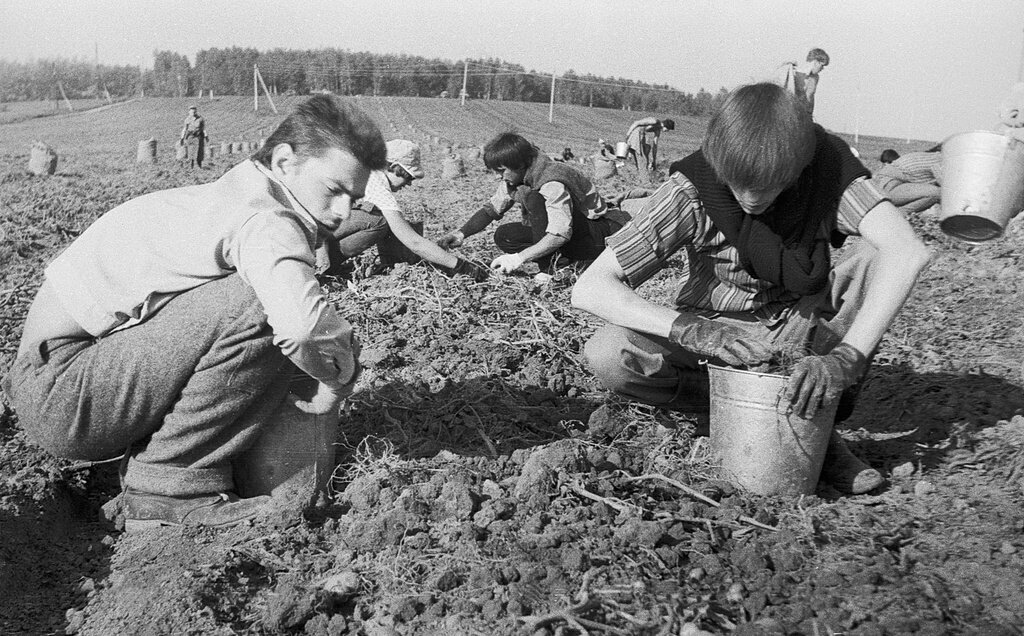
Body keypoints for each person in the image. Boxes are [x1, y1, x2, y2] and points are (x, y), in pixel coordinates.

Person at [1, 95, 386, 530]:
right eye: (334, 190)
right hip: (64, 393)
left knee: (267, 307)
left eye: (352, 198)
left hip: (58, 381)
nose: (343, 212)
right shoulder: (266, 219)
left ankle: (187, 462)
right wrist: (337, 376)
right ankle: (170, 486)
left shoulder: (241, 191)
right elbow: (302, 327)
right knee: (262, 304)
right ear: (284, 161)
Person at [572, 83, 931, 495]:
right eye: (737, 184)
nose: (749, 199)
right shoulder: (693, 187)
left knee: (875, 256)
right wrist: (692, 330)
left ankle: (817, 423)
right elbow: (591, 288)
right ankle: (728, 410)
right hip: (714, 330)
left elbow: (908, 252)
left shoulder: (827, 173)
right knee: (609, 353)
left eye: (767, 186)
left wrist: (847, 358)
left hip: (800, 326)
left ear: (797, 170)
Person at [438, 132, 627, 274]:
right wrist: (461, 234)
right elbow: (491, 210)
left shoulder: (551, 182)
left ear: (519, 165)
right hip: (572, 233)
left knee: (534, 199)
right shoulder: (519, 177)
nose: (499, 177)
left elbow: (560, 234)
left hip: (596, 233)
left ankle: (554, 270)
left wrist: (519, 258)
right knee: (505, 235)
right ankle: (569, 260)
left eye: (501, 170)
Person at [317, 139, 489, 281]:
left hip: (310, 230)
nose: (409, 183)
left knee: (385, 221)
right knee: (378, 221)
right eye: (408, 177)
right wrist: (459, 265)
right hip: (308, 233)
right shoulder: (375, 185)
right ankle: (322, 266)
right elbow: (413, 241)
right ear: (392, 168)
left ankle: (325, 261)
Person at [872, 147, 943, 215]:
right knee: (937, 193)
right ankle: (895, 215)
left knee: (935, 193)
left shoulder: (934, 157)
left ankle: (896, 214)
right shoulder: (940, 161)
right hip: (888, 186)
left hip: (889, 184)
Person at [776, 48, 830, 115]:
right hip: (791, 113)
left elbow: (810, 97)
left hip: (806, 115)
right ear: (816, 62)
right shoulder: (793, 73)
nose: (822, 69)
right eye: (821, 65)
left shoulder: (815, 78)